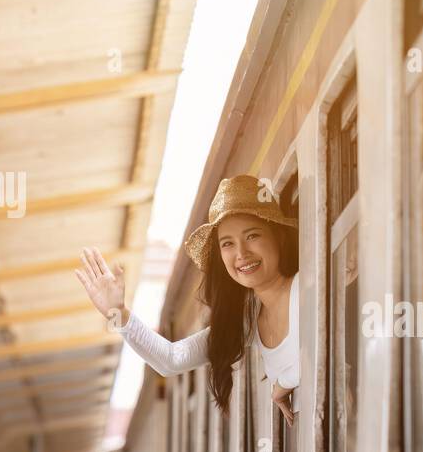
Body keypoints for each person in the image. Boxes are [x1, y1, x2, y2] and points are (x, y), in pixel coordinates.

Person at [76, 174, 300, 425]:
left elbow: (321, 354)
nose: (241, 253)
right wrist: (118, 312)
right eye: (227, 243)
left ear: (278, 237)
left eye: (252, 236)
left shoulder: (304, 289)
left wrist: (285, 382)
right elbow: (171, 360)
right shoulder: (248, 320)